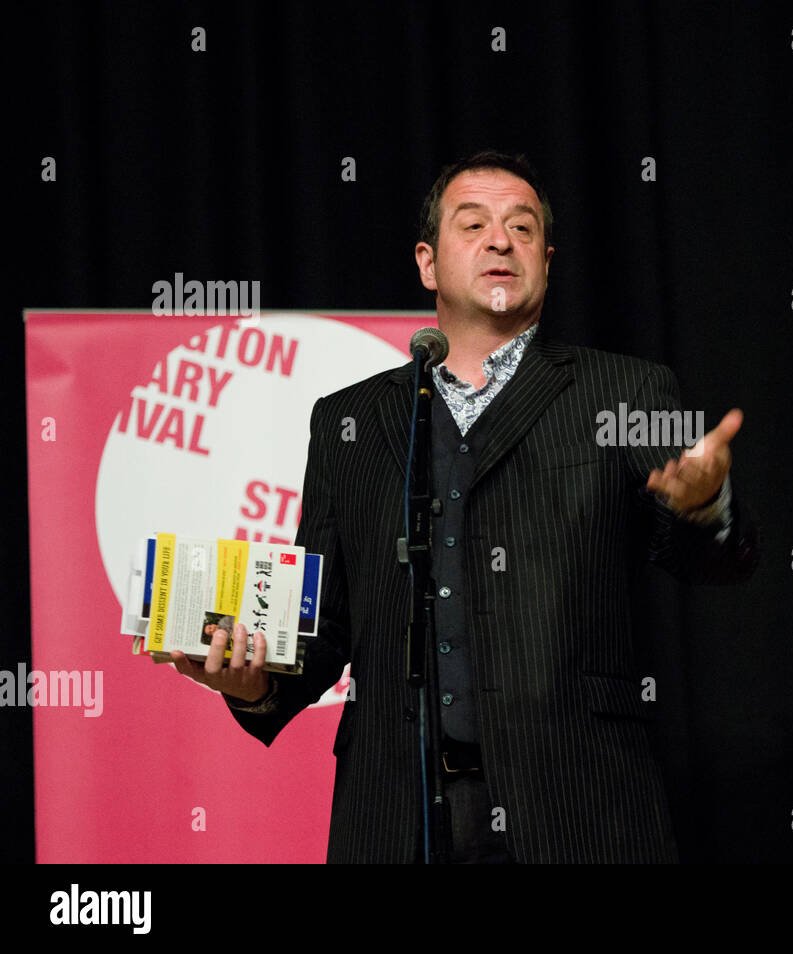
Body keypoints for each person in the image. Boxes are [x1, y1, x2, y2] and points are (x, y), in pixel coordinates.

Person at [169, 150, 760, 862]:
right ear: (428, 262)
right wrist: (255, 682)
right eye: (473, 224)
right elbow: (326, 624)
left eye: (522, 226)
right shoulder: (349, 422)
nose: (500, 240)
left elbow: (712, 563)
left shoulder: (621, 392)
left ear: (547, 256)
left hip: (577, 808)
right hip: (397, 815)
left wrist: (704, 506)